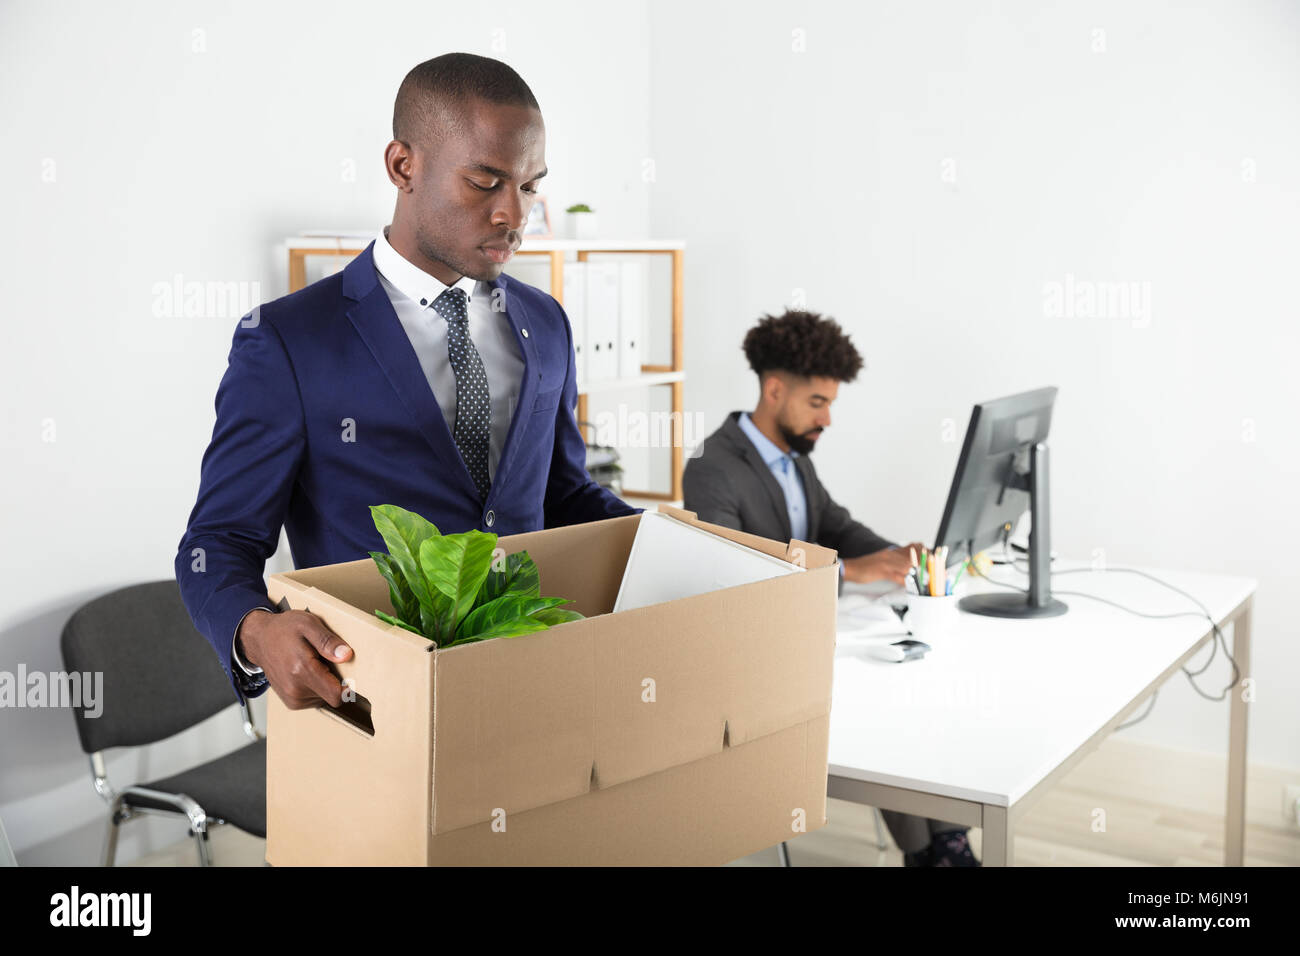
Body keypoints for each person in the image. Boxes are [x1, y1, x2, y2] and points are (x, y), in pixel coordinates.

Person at [175, 53, 637, 712]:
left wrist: (684, 545)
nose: (515, 214)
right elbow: (217, 543)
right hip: (376, 703)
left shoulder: (547, 323)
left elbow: (563, 494)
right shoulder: (288, 340)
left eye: (531, 186)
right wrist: (258, 629)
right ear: (403, 166)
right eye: (486, 181)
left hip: (537, 685)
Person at [682, 309, 979, 866]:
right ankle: (927, 853)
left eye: (831, 405)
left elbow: (835, 524)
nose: (828, 419)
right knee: (892, 700)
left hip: (816, 634)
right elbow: (734, 574)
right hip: (755, 657)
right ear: (774, 390)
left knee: (919, 682)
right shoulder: (712, 465)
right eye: (818, 403)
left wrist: (897, 555)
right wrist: (848, 573)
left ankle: (948, 840)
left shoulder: (794, 458)